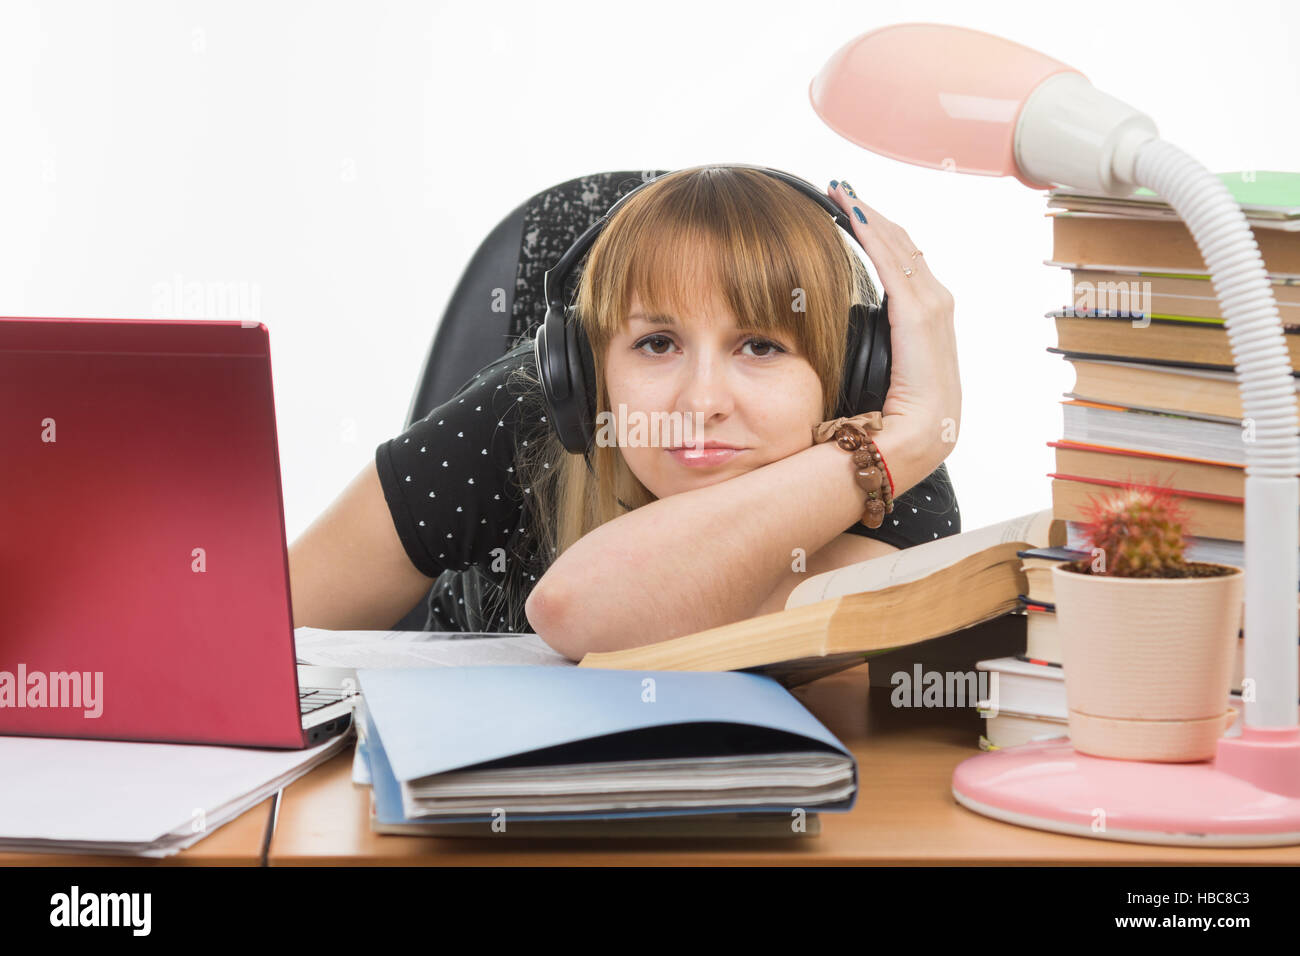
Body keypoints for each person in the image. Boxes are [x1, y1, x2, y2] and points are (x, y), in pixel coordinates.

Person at [287, 165, 962, 661]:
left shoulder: (888, 471)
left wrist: (895, 450)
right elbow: (254, 632)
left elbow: (597, 609)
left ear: (848, 376)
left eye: (760, 346)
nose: (702, 403)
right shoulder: (520, 415)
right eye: (657, 343)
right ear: (583, 373)